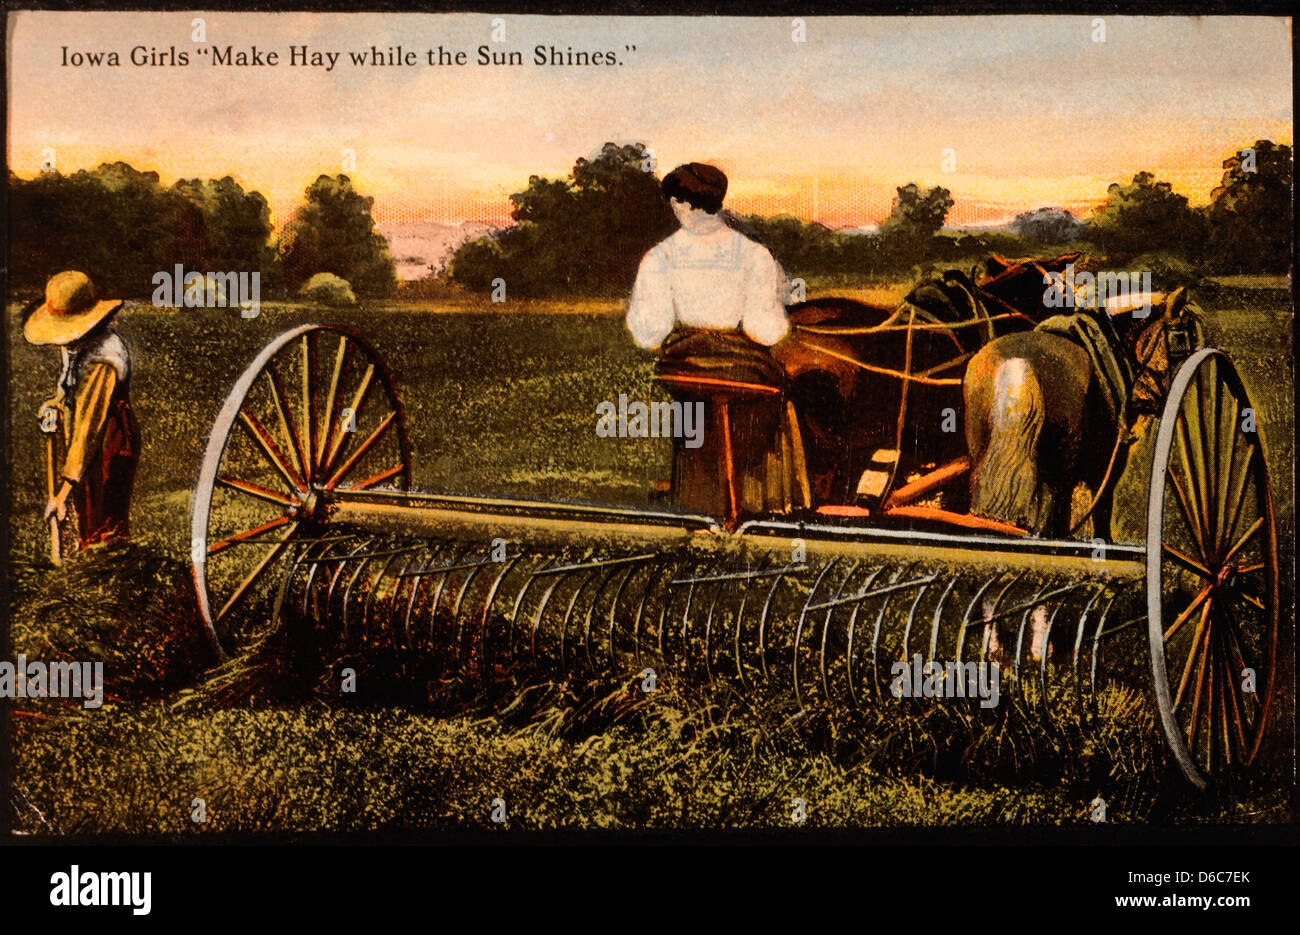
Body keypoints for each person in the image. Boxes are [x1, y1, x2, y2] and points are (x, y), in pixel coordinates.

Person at [626, 163, 809, 524]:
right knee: (779, 391)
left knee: (700, 401)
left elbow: (649, 332)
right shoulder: (754, 254)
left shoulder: (660, 257)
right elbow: (765, 331)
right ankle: (760, 498)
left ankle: (697, 495)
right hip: (740, 370)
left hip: (686, 369)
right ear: (717, 202)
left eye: (675, 202)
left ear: (680, 203)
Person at [25, 270, 140, 551]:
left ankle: (106, 567)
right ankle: (90, 559)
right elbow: (67, 386)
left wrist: (62, 493)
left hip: (110, 439)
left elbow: (89, 430)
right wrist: (55, 403)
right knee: (86, 509)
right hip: (86, 435)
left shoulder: (104, 358)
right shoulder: (75, 345)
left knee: (103, 515)